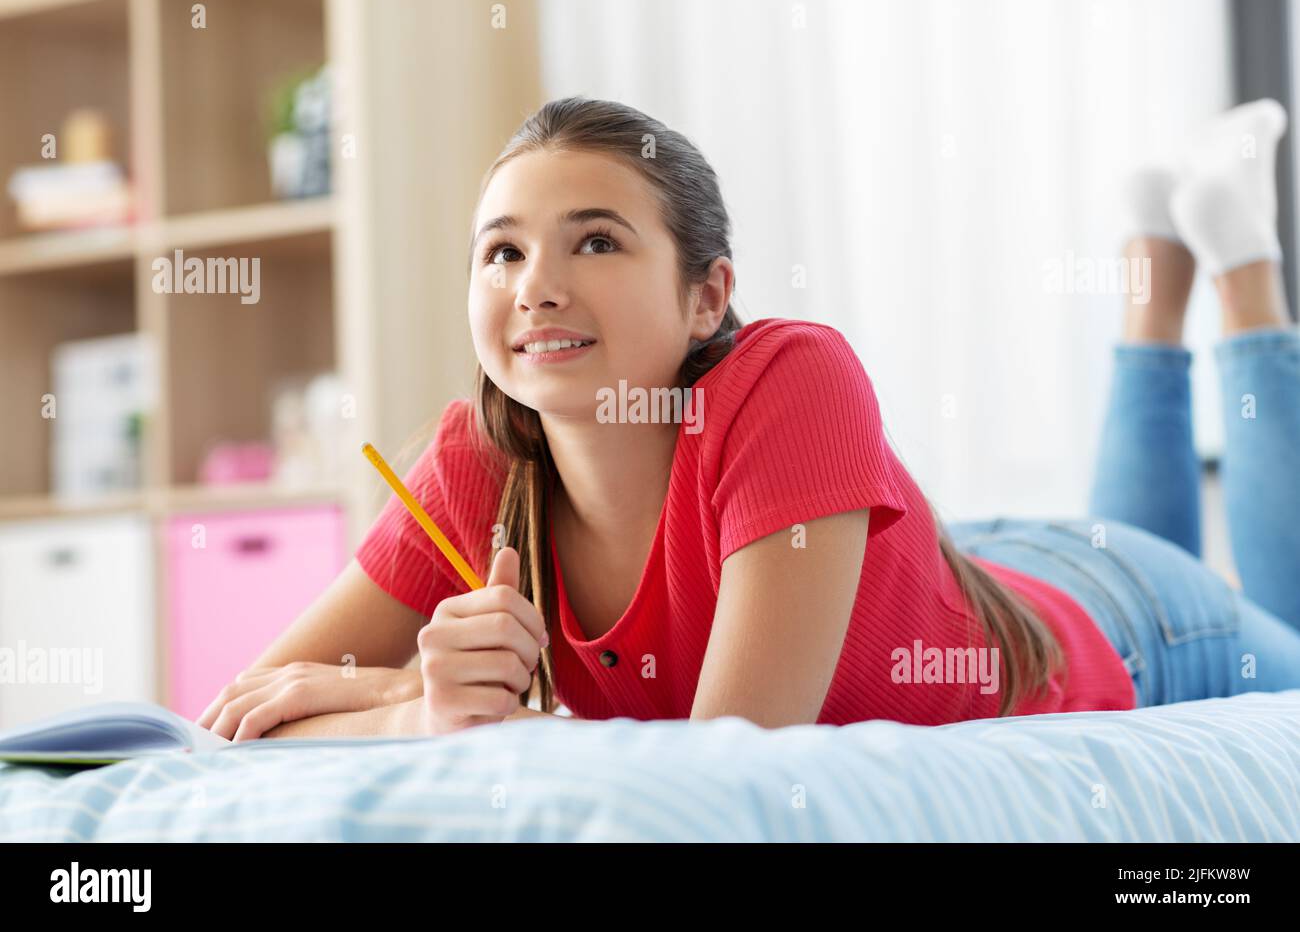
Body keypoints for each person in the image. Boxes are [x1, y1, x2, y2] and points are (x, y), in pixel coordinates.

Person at [197, 97, 1300, 742]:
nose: (533, 285)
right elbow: (238, 717)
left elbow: (728, 757)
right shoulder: (475, 461)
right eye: (502, 250)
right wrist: (414, 707)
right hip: (977, 566)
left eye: (594, 240)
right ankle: (1157, 261)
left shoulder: (790, 379)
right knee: (1126, 528)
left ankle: (1239, 265)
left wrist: (393, 696)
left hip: (1124, 625)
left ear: (707, 295)